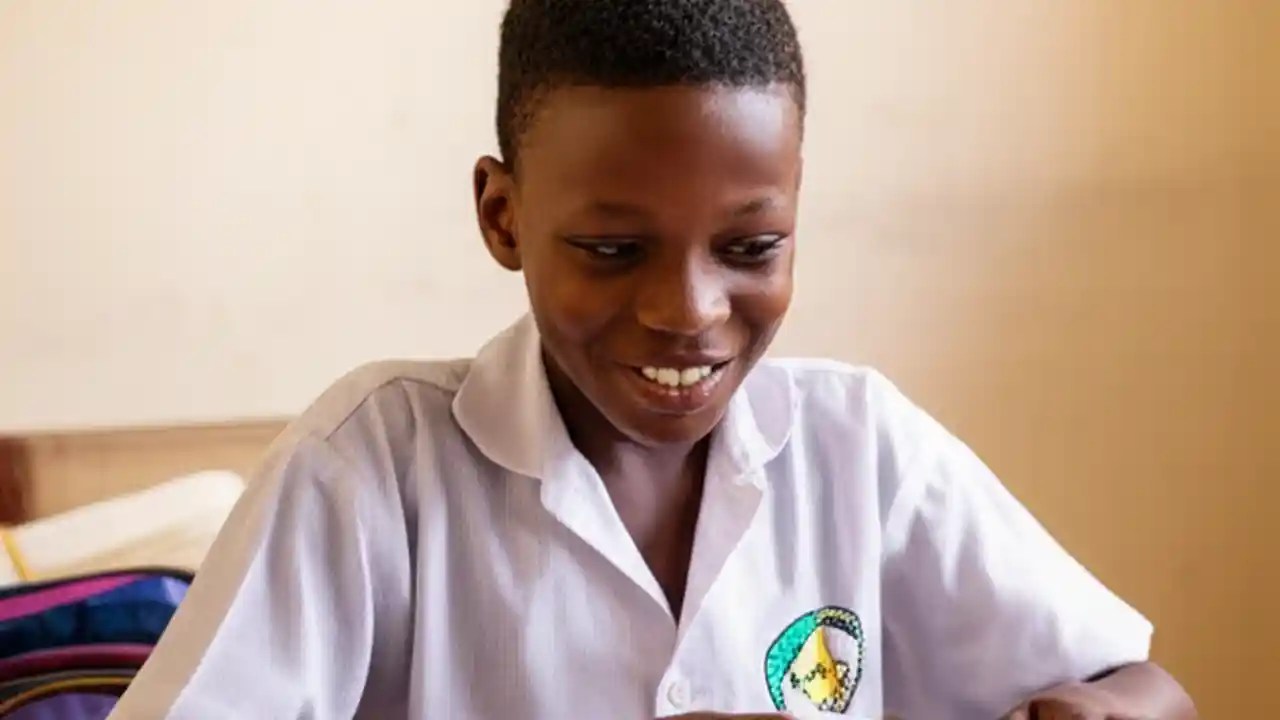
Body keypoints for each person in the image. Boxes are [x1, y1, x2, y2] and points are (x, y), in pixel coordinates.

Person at [110, 1, 1196, 718]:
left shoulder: (858, 447)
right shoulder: (374, 471)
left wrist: (1093, 710)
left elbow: (1149, 689)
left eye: (749, 247)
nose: (687, 312)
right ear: (501, 214)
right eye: (612, 250)